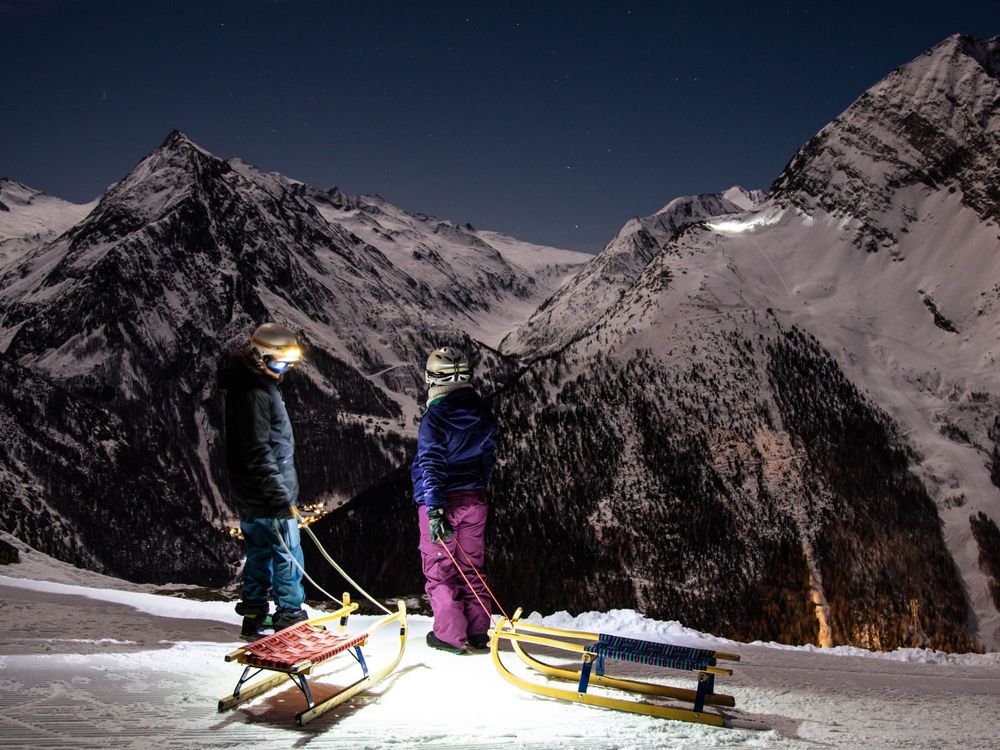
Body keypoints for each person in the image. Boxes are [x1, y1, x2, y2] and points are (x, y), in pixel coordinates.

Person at [219, 322, 309, 639]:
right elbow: (257, 449)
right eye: (278, 362)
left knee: (260, 551)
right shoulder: (255, 393)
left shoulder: (248, 386)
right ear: (259, 357)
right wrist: (280, 496)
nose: (283, 370)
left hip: (251, 492)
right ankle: (289, 614)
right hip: (269, 493)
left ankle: (255, 613)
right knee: (287, 553)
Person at [411, 346, 497, 654]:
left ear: (433, 378)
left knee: (440, 570)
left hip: (443, 503)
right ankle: (477, 633)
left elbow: (430, 464)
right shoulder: (482, 411)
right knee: (472, 567)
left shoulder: (435, 418)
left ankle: (449, 635)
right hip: (475, 499)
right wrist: (477, 490)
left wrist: (434, 510)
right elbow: (487, 457)